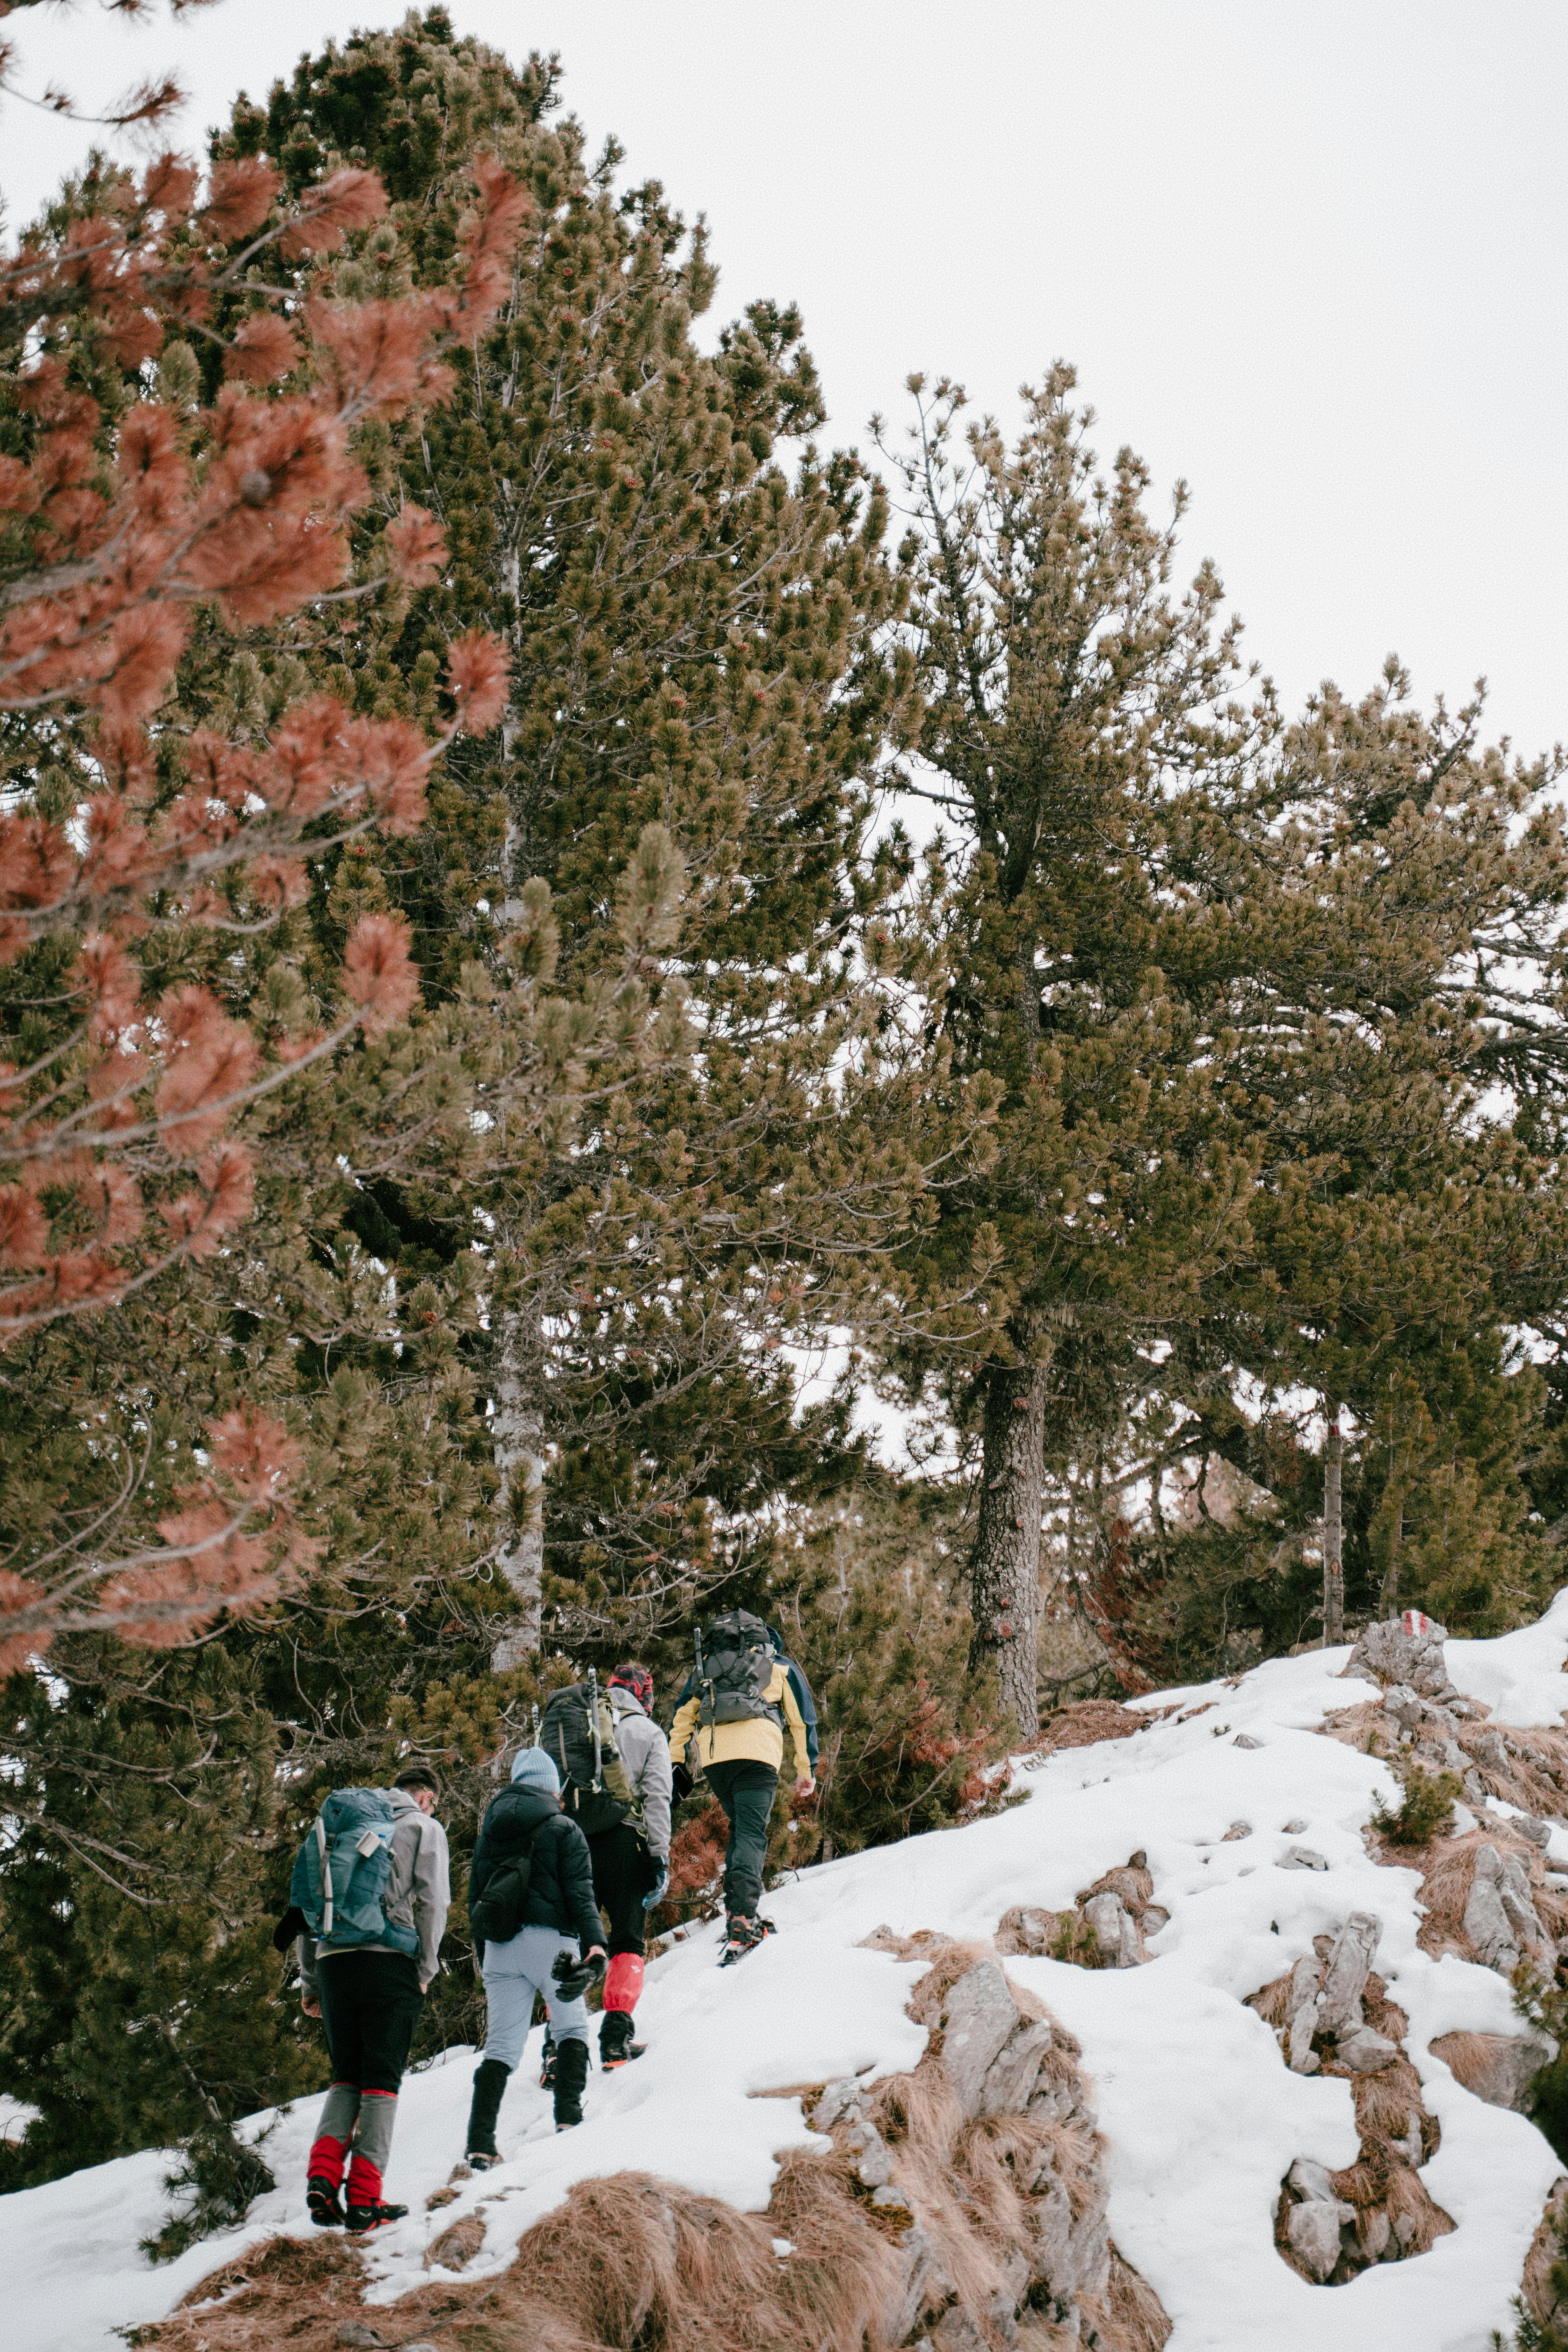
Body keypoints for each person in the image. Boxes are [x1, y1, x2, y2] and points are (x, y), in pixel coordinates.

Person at [299, 1765, 450, 2234]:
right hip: (389, 1963)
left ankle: (323, 2177)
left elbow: (307, 1903)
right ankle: (364, 2200)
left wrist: (311, 1981)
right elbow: (435, 1903)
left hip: (333, 1964)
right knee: (381, 2080)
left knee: (346, 2075)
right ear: (426, 1796)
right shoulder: (423, 1827)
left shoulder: (340, 1825)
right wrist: (425, 1969)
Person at [464, 1747, 607, 2162]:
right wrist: (595, 1945)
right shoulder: (564, 1828)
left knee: (501, 2049)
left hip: (500, 1949)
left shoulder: (489, 1833)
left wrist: (487, 1958)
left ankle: (480, 2144)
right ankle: (568, 2119)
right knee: (571, 2029)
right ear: (551, 1787)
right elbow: (581, 1892)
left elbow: (477, 1902)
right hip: (550, 1940)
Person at [667, 1610, 814, 1964]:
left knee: (741, 1831)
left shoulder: (708, 1666)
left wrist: (675, 1762)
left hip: (716, 1758)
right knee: (751, 1833)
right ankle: (744, 1918)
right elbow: (802, 1718)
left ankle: (736, 1910)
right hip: (757, 1756)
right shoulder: (777, 1664)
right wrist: (805, 1767)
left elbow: (683, 1715)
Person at [589, 1663, 672, 2067]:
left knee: (573, 1942)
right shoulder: (648, 1732)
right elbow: (657, 1798)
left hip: (574, 1845)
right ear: (644, 1695)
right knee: (626, 1941)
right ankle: (615, 2039)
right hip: (625, 1840)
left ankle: (559, 2051)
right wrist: (660, 1856)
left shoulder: (582, 1723)